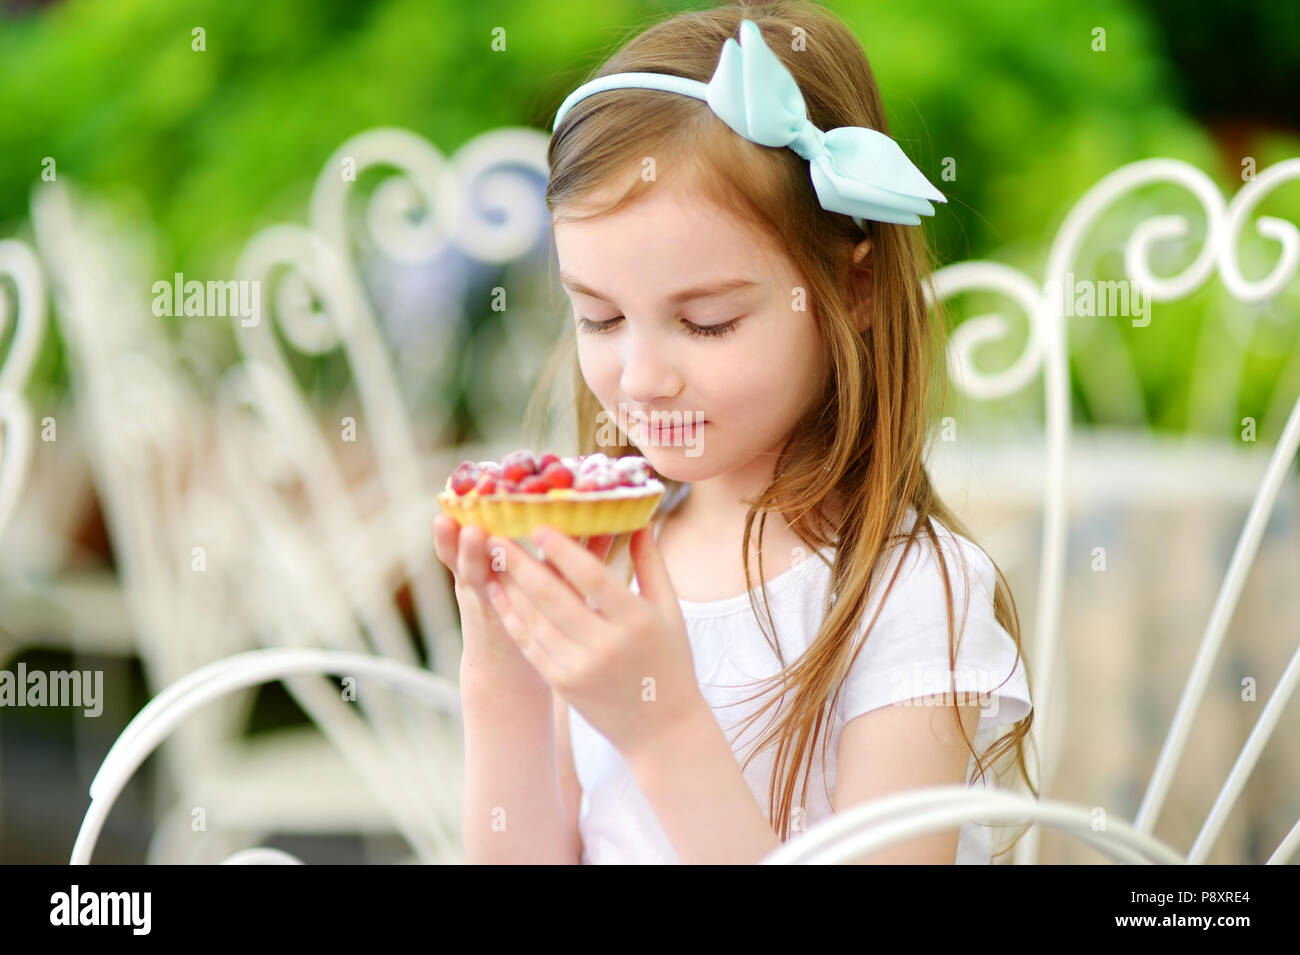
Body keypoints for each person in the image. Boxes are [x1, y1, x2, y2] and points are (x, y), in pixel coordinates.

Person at [435, 0, 1035, 865]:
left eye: (707, 321)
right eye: (599, 318)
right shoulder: (608, 555)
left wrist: (663, 723)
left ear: (852, 293)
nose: (641, 377)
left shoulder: (906, 594)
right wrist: (503, 674)